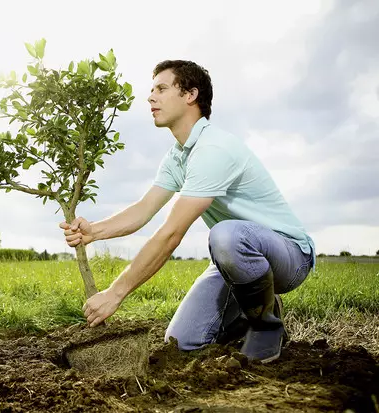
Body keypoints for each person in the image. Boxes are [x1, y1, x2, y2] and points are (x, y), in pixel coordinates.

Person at [59, 60, 315, 364]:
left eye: (161, 89)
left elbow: (171, 234)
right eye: (151, 90)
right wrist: (94, 232)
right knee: (182, 341)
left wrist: (114, 294)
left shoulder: (213, 149)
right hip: (235, 259)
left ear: (191, 94)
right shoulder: (178, 156)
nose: (150, 97)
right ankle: (252, 313)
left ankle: (265, 326)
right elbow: (144, 210)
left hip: (288, 256)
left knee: (226, 235)